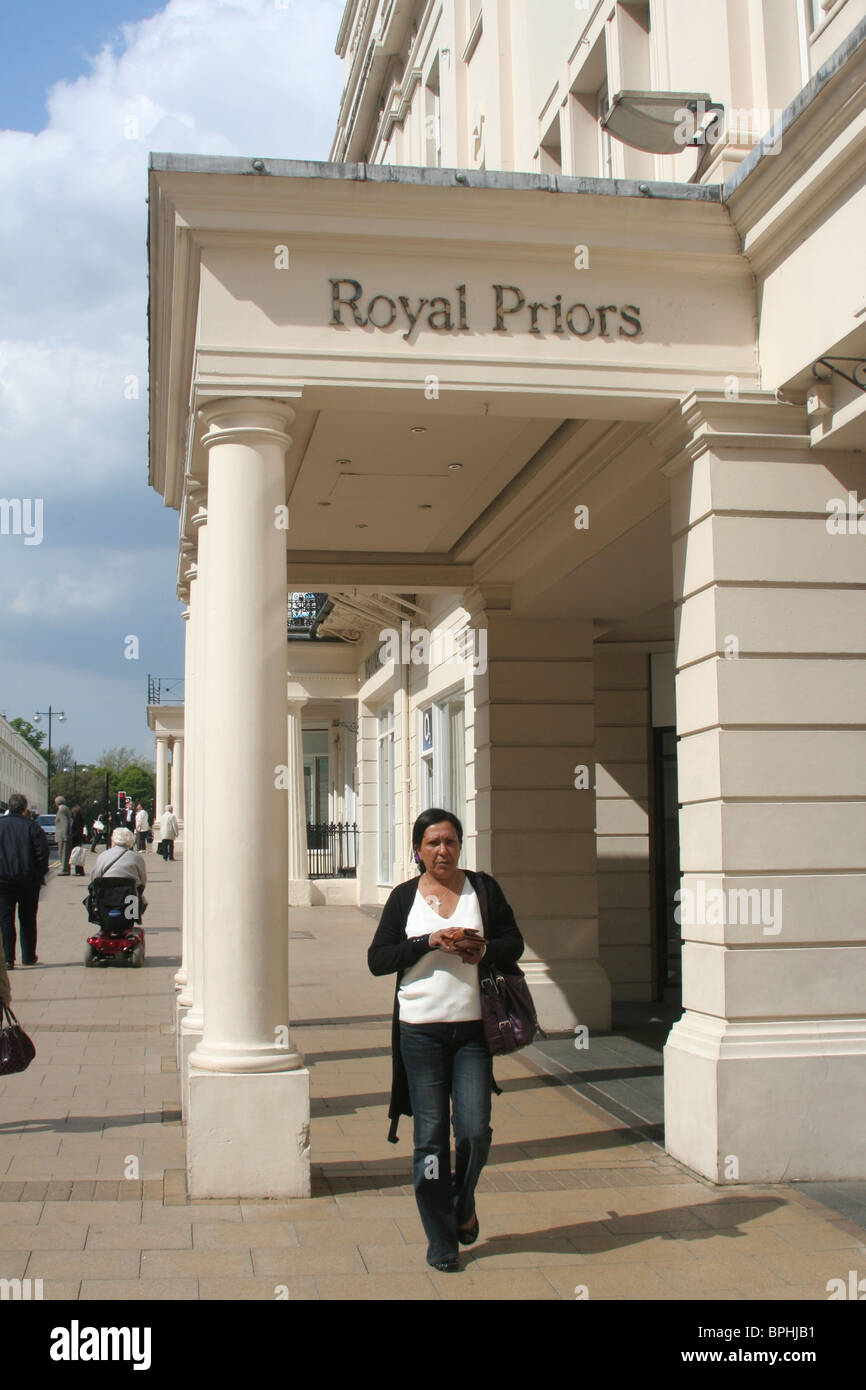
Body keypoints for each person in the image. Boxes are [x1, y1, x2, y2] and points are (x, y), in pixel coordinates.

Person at [367, 808, 524, 1272]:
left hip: (473, 1031)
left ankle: (462, 1199)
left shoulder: (483, 889)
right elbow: (378, 960)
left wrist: (483, 949)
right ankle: (441, 1238)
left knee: (474, 1129)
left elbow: (514, 941)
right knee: (431, 1138)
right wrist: (428, 942)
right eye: (433, 843)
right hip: (419, 1033)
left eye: (451, 841)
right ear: (418, 851)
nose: (443, 850)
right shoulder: (403, 899)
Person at [0, 793, 49, 968]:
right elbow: (42, 854)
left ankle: (8, 958)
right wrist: (41, 873)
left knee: (5, 919)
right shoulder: (32, 827)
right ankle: (28, 956)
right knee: (27, 918)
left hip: (3, 881)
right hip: (28, 880)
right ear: (24, 808)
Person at [55, 795, 71, 874]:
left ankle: (64, 869)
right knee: (65, 853)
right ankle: (66, 869)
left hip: (62, 835)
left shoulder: (61, 810)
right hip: (63, 834)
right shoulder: (65, 808)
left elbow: (64, 822)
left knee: (62, 853)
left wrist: (64, 835)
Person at [68, 804, 86, 876]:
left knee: (77, 856)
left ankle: (79, 871)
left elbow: (77, 830)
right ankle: (79, 871)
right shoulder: (80, 818)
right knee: (78, 855)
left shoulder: (77, 819)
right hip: (79, 839)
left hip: (76, 839)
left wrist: (72, 837)